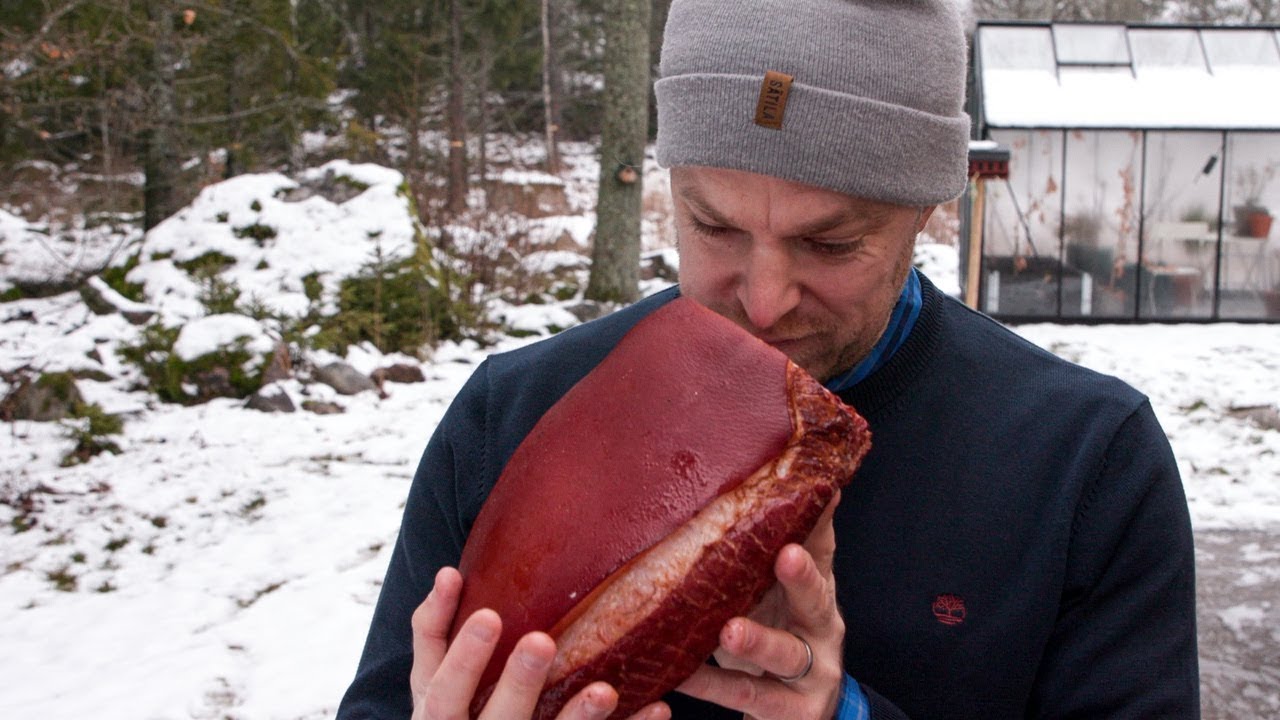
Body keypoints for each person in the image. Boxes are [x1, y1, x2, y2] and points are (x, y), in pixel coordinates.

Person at [337, 1, 1200, 718]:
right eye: (712, 227)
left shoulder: (1087, 464)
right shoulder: (512, 414)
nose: (761, 300)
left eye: (830, 244)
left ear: (931, 210)